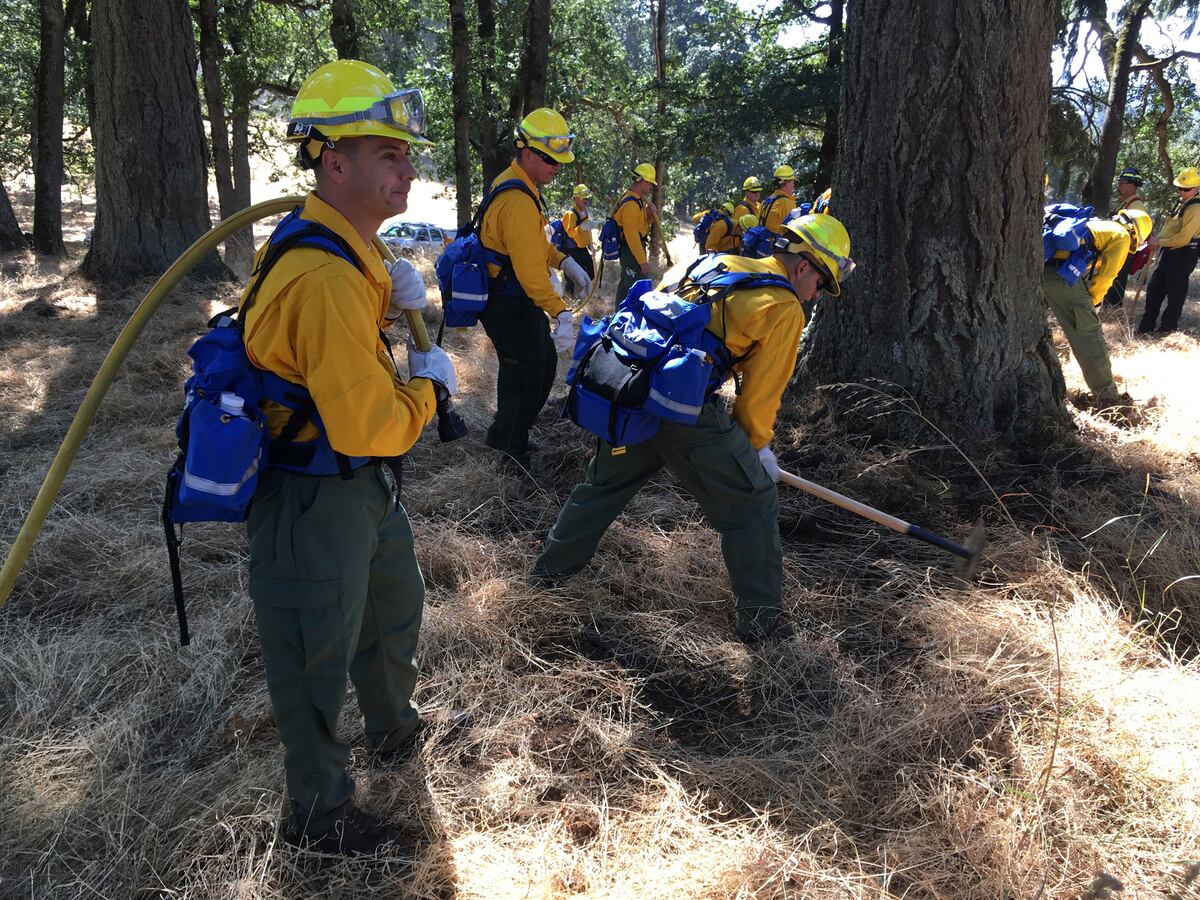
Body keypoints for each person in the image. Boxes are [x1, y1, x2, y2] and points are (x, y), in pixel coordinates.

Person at [243, 59, 459, 854]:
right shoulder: (324, 274)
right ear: (334, 160)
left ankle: (395, 731)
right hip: (315, 500)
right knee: (315, 660)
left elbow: (335, 345)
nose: (408, 168)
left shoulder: (347, 251)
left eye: (407, 153)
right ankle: (319, 817)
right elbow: (370, 424)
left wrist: (388, 294)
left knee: (390, 611)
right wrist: (431, 387)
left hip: (360, 492)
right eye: (389, 155)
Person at [533, 215, 855, 643]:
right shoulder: (784, 308)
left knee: (602, 486)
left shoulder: (716, 263)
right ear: (803, 267)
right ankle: (763, 628)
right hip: (683, 410)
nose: (817, 295)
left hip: (634, 391)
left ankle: (545, 577)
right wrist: (756, 452)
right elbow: (759, 400)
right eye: (821, 284)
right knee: (754, 502)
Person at [478, 108, 592, 468]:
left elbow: (531, 245)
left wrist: (562, 260)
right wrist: (559, 310)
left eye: (560, 160)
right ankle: (510, 452)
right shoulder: (517, 199)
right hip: (510, 302)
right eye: (550, 159)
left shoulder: (522, 187)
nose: (557, 167)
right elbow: (529, 271)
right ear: (526, 152)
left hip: (517, 299)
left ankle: (506, 434)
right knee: (525, 376)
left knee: (537, 369)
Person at [1043, 207, 1152, 403]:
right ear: (1136, 236)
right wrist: (1091, 305)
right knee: (1089, 335)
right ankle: (1108, 399)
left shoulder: (1096, 224)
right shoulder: (1121, 237)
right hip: (1059, 275)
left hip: (1037, 266)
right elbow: (1106, 278)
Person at [1137, 166, 1200, 335]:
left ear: (1196, 188)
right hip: (1169, 253)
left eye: (1186, 189)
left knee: (1175, 294)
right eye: (1180, 187)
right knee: (1154, 290)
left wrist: (1159, 242)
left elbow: (1183, 238)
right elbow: (1170, 227)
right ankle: (1146, 326)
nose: (1181, 191)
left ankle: (1167, 329)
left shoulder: (1196, 208)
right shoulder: (1182, 203)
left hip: (1184, 254)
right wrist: (1156, 241)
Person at [1102, 167, 1150, 309]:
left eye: (1122, 182)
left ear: (1131, 185)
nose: (1119, 186)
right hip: (1117, 248)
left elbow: (1136, 232)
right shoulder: (1126, 204)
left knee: (1116, 283)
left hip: (1124, 251)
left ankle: (1113, 310)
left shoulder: (1136, 206)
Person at [613, 162, 660, 303]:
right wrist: (642, 261)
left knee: (628, 285)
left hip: (634, 247)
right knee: (632, 286)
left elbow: (642, 226)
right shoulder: (631, 205)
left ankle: (623, 316)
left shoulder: (637, 201)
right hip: (630, 250)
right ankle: (623, 318)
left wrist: (650, 213)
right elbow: (631, 235)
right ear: (643, 181)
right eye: (650, 183)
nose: (651, 187)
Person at [561, 183, 596, 285]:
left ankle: (583, 296)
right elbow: (571, 233)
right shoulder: (570, 214)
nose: (585, 200)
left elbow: (587, 232)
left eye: (586, 198)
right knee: (574, 277)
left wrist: (590, 246)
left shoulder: (585, 211)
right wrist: (581, 228)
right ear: (575, 198)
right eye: (582, 198)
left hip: (582, 248)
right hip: (572, 250)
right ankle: (571, 297)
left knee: (590, 272)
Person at [758, 165, 798, 238]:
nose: (793, 184)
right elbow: (794, 231)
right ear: (786, 184)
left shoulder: (765, 201)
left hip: (761, 244)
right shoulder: (787, 204)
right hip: (777, 247)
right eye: (792, 181)